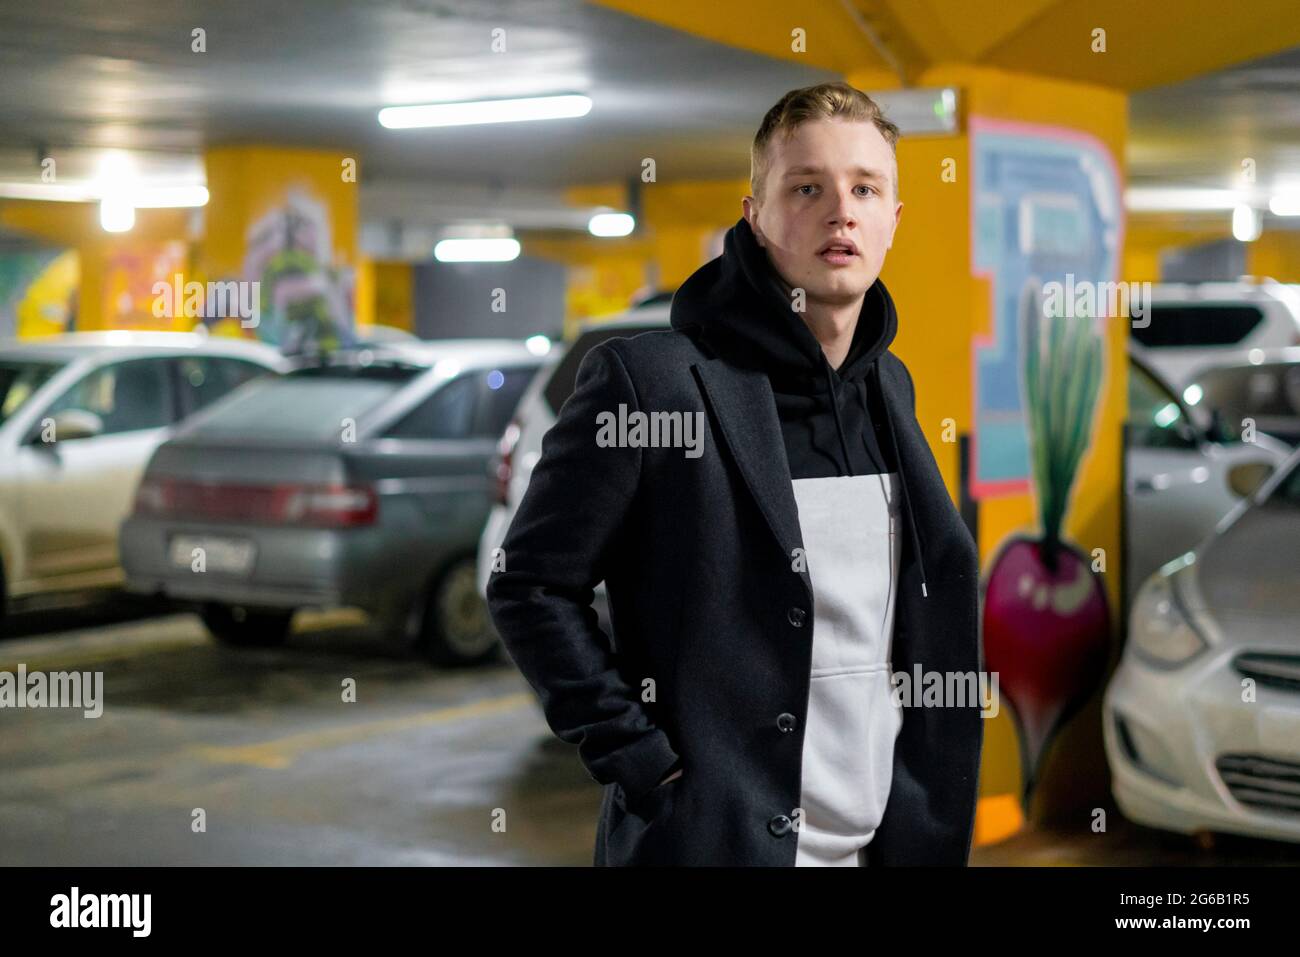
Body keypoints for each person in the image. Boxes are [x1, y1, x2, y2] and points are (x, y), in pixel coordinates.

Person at [487, 81, 983, 866]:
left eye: (865, 188)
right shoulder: (652, 384)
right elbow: (529, 584)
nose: (840, 211)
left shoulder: (891, 388)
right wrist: (641, 759)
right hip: (717, 843)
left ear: (894, 218)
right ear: (755, 216)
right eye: (806, 187)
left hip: (884, 845)